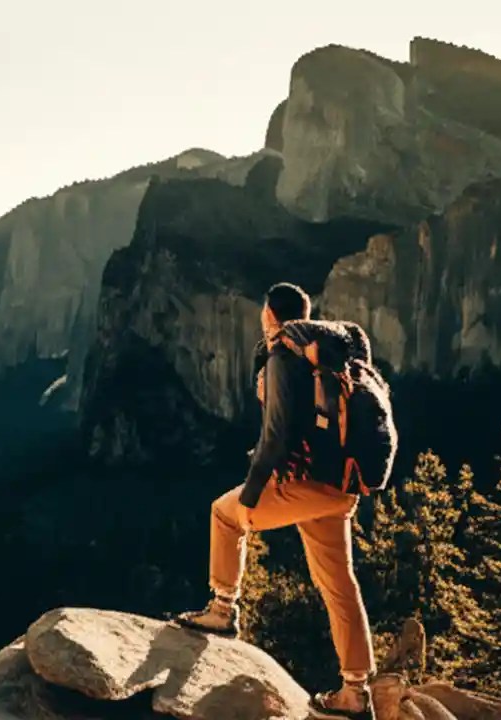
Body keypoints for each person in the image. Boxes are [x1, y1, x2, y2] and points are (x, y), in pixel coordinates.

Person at [173, 282, 377, 720]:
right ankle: (355, 692)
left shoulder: (285, 357)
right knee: (339, 584)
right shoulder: (330, 351)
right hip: (340, 488)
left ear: (269, 314)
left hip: (307, 485)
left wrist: (252, 490)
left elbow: (276, 435)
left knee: (224, 515)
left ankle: (222, 608)